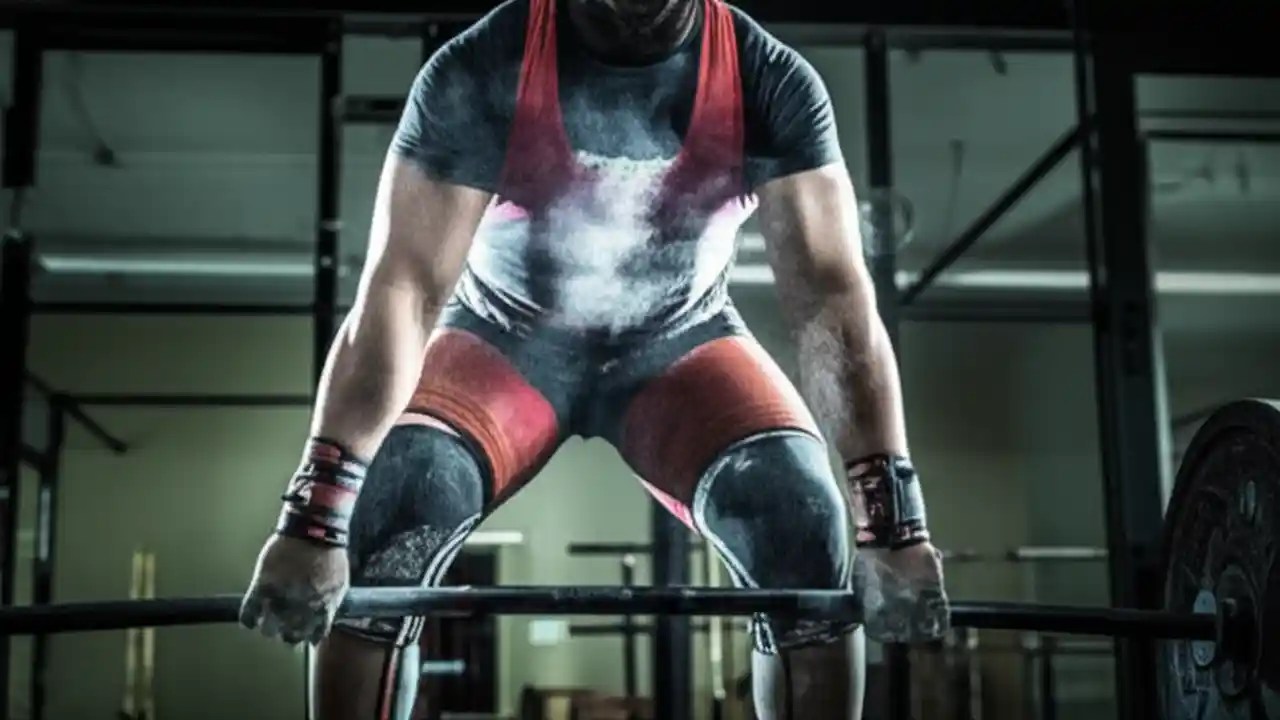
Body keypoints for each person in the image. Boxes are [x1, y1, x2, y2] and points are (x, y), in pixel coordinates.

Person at [239, 0, 949, 717]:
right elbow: (403, 290)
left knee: (802, 518)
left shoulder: (768, 80)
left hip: (678, 348)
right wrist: (315, 520)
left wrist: (891, 529)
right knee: (392, 502)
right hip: (504, 343)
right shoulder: (486, 65)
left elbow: (830, 302)